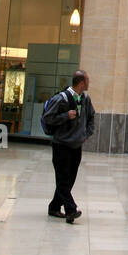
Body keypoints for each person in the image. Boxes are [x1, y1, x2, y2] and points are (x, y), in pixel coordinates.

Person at [41, 70, 96, 223]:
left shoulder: (85, 98)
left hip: (76, 146)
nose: (89, 83)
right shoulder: (62, 98)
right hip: (61, 145)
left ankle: (54, 206)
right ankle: (71, 209)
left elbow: (91, 116)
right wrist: (66, 116)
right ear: (81, 82)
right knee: (63, 178)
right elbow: (48, 118)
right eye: (87, 80)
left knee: (70, 178)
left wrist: (86, 134)